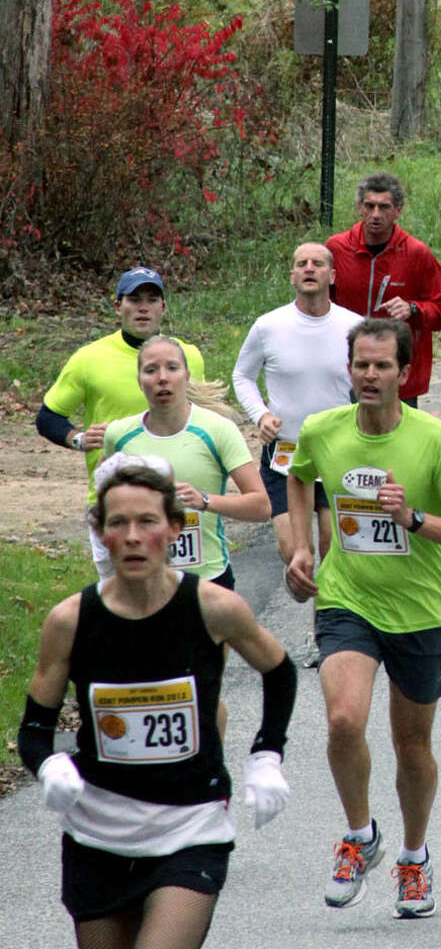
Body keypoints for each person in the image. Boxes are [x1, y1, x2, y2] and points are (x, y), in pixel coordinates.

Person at [19, 460, 295, 949]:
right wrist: (48, 770)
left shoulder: (211, 608)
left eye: (148, 522)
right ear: (100, 534)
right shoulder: (71, 621)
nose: (133, 536)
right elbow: (35, 728)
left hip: (189, 829)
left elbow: (280, 670)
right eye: (118, 523)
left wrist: (266, 755)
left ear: (176, 532)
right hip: (98, 836)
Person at [287, 318, 441, 917]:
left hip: (421, 611)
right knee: (344, 719)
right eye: (360, 365)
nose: (369, 376)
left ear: (404, 373)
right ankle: (359, 836)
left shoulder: (435, 440)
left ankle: (414, 856)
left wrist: (415, 521)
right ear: (348, 370)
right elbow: (297, 479)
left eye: (381, 366)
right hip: (348, 600)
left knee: (411, 744)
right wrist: (303, 547)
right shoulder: (323, 430)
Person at [231, 243, 359, 656]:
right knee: (292, 548)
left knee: (330, 543)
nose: (309, 269)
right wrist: (260, 415)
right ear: (291, 276)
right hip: (285, 453)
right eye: (301, 264)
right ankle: (316, 603)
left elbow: (372, 380)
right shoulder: (269, 326)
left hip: (338, 452)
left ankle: (323, 632)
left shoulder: (353, 326)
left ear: (332, 276)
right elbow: (243, 376)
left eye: (318, 264)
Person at [38, 268, 204, 579]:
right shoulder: (90, 359)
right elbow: (48, 416)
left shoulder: (188, 356)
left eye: (152, 300)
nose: (143, 308)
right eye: (134, 299)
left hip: (174, 494)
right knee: (122, 602)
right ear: (118, 307)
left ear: (163, 308)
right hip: (112, 495)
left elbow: (203, 415)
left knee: (181, 600)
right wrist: (78, 438)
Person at [104, 340, 269, 593]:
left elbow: (261, 507)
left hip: (207, 582)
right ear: (139, 380)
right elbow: (106, 508)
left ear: (187, 376)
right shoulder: (118, 435)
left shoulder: (218, 430)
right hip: (142, 584)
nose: (162, 378)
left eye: (172, 368)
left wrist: (203, 500)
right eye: (151, 370)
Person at [326, 172, 441, 405]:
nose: (376, 214)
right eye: (370, 206)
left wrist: (414, 309)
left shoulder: (416, 253)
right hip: (344, 374)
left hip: (396, 378)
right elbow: (320, 306)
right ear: (359, 208)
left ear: (398, 210)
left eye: (384, 207)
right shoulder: (337, 248)